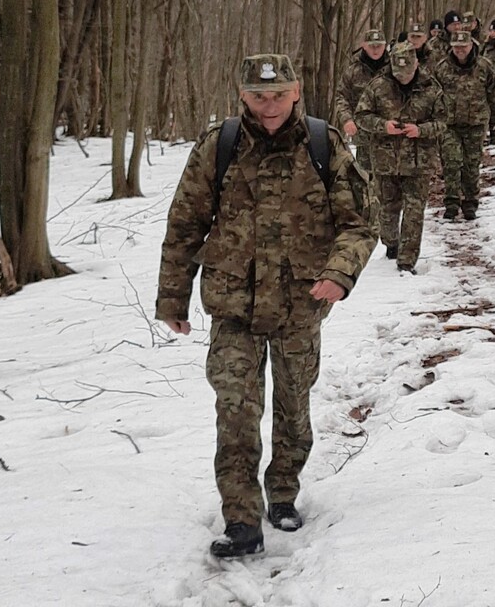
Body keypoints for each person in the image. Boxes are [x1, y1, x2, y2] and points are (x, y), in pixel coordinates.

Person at [156, 54, 374, 558]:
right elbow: (185, 224)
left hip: (301, 302)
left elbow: (360, 223)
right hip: (234, 304)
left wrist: (339, 275)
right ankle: (241, 519)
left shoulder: (324, 145)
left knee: (293, 407)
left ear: (296, 92)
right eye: (259, 96)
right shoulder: (221, 146)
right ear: (243, 96)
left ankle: (283, 493)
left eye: (278, 95)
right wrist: (173, 296)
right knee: (235, 410)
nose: (269, 105)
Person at [355, 41, 446, 273]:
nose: (402, 77)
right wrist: (383, 125)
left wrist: (421, 130)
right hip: (386, 160)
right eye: (398, 72)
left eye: (406, 72)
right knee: (387, 208)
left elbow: (444, 122)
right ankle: (391, 243)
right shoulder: (378, 86)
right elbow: (361, 116)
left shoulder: (431, 88)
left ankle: (407, 261)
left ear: (416, 64)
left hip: (419, 161)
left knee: (414, 212)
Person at [433, 29, 495, 220]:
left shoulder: (484, 66)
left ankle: (470, 202)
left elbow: (494, 95)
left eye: (464, 46)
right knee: (451, 163)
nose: (460, 50)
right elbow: (432, 95)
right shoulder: (442, 68)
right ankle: (452, 202)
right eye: (456, 47)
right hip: (449, 125)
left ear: (471, 45)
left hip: (476, 124)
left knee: (471, 165)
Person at [334, 29, 390, 169]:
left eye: (379, 45)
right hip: (363, 137)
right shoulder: (353, 71)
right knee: (364, 182)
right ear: (364, 45)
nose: (375, 49)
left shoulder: (394, 70)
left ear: (385, 46)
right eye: (372, 46)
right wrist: (346, 119)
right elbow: (341, 97)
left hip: (391, 138)